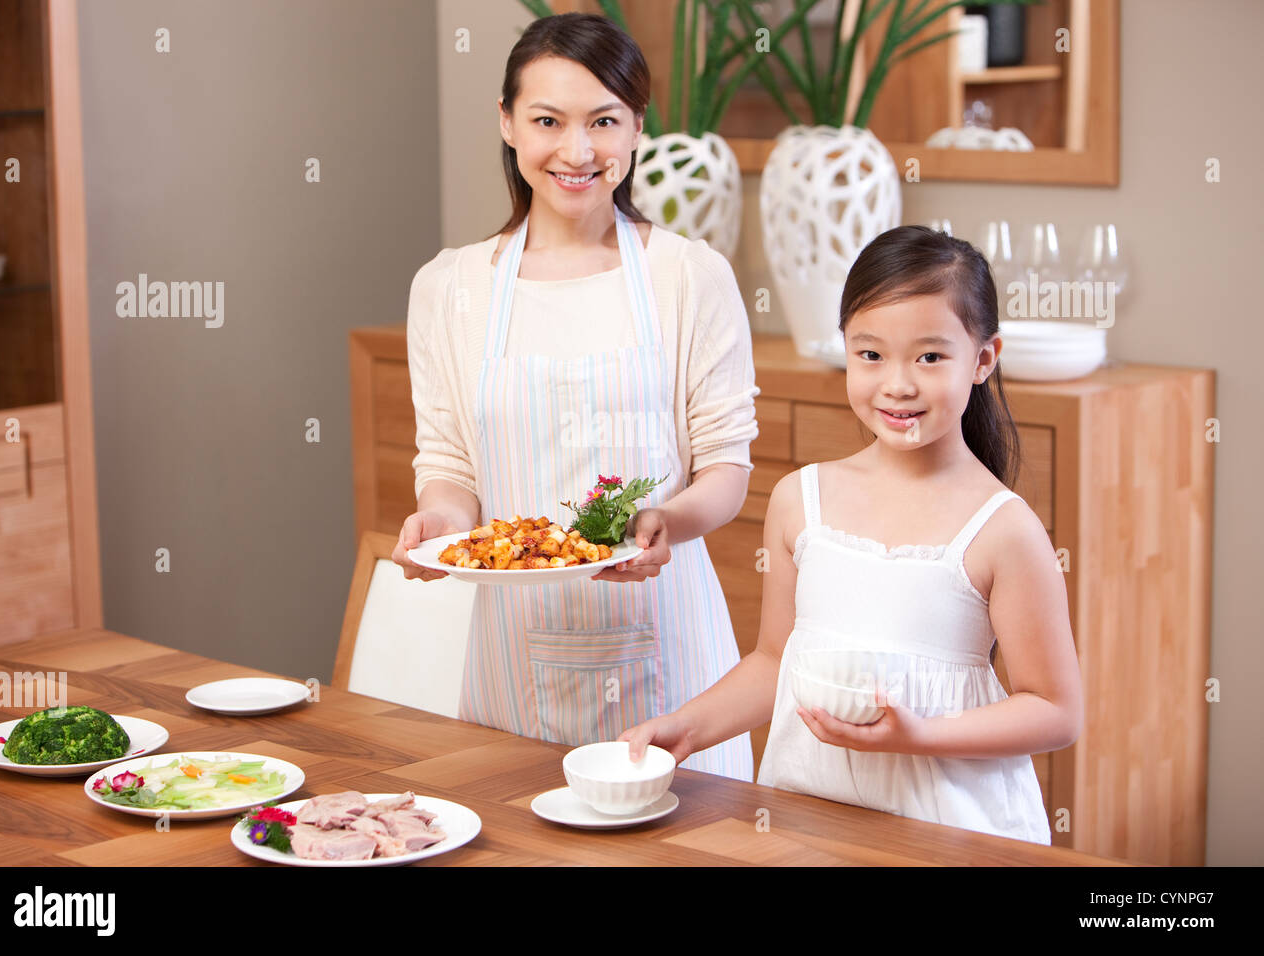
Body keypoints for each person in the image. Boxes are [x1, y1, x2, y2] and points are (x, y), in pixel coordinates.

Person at [622, 226, 1083, 843]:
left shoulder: (1004, 529)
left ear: (983, 359)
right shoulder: (800, 501)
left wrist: (921, 738)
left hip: (951, 835)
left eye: (930, 356)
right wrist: (686, 728)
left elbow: (1055, 711)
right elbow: (774, 661)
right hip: (809, 823)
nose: (897, 383)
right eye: (870, 355)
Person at [392, 13, 757, 780]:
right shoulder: (450, 287)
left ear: (636, 129)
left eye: (603, 121)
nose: (578, 151)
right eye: (548, 121)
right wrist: (440, 524)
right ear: (507, 123)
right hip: (509, 656)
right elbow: (452, 463)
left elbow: (726, 469)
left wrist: (667, 520)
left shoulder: (690, 277)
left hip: (670, 646)